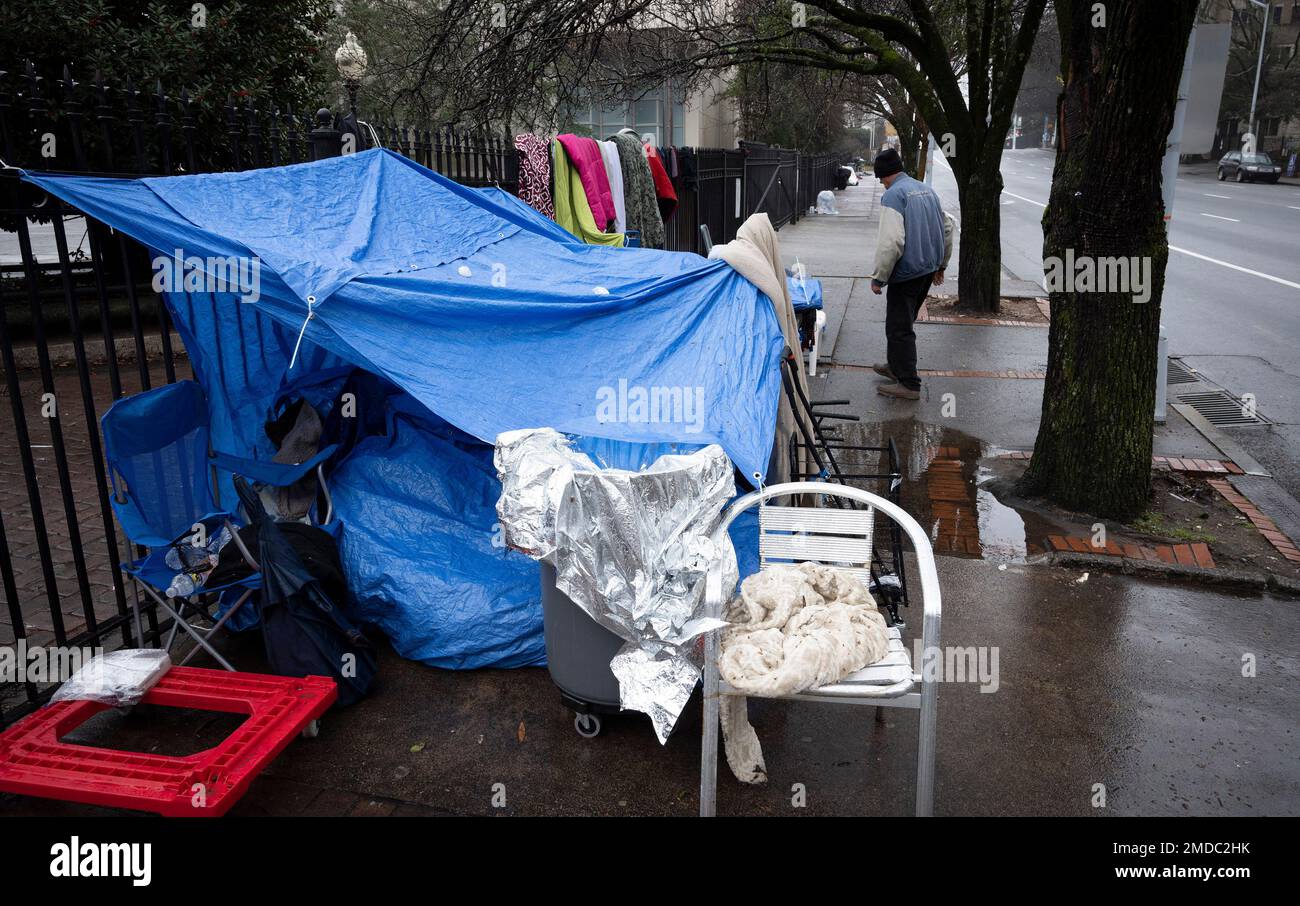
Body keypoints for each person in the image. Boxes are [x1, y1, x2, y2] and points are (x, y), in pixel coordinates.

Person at [868, 148, 955, 400]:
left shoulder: (894, 196)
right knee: (903, 323)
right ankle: (896, 367)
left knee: (899, 328)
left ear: (886, 175)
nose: (882, 184)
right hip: (927, 270)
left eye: (881, 179)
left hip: (906, 273)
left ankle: (909, 383)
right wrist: (941, 265)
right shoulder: (926, 189)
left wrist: (879, 277)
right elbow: (948, 229)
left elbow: (891, 242)